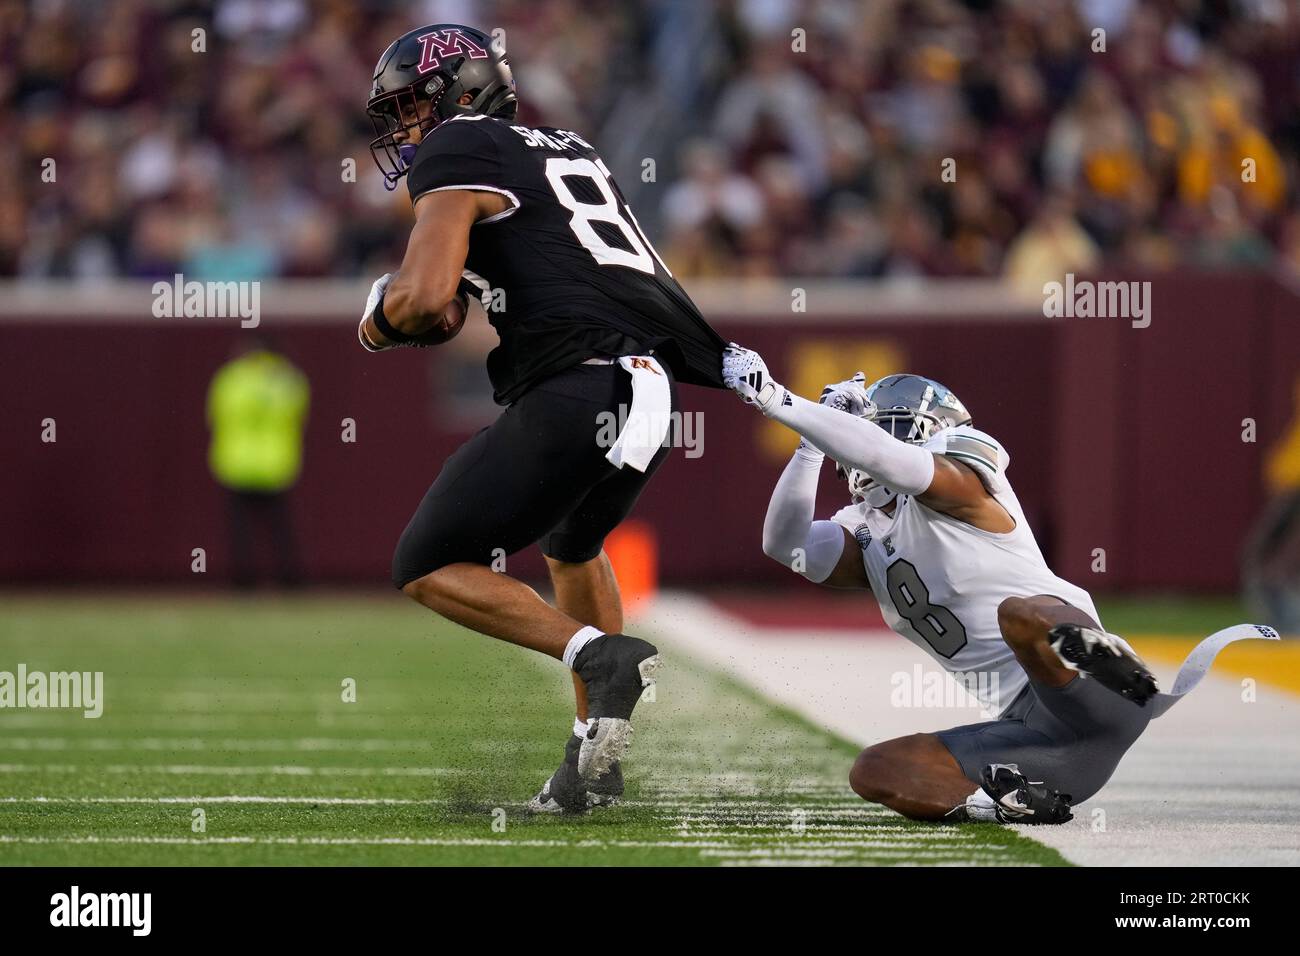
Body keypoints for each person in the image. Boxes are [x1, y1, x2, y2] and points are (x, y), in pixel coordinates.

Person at [357, 24, 728, 812]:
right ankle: (596, 765)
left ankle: (594, 655)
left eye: (412, 106)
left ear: (458, 93)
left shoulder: (459, 146)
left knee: (425, 562)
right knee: (573, 546)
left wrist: (380, 319)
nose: (408, 130)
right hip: (651, 388)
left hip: (578, 386)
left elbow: (422, 298)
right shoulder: (569, 148)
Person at [721, 346, 1274, 822]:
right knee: (875, 771)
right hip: (1039, 738)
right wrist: (809, 442)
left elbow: (897, 463)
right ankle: (1007, 799)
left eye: (875, 423)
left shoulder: (961, 468)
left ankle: (1133, 683)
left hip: (1098, 687)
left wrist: (779, 400)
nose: (863, 437)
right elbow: (784, 543)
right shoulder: (863, 529)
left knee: (1023, 614)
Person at [206, 341, 310, 588]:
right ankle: (291, 580)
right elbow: (299, 408)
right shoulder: (283, 379)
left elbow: (215, 415)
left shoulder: (231, 379)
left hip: (238, 463)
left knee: (241, 529)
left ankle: (243, 582)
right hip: (274, 463)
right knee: (279, 528)